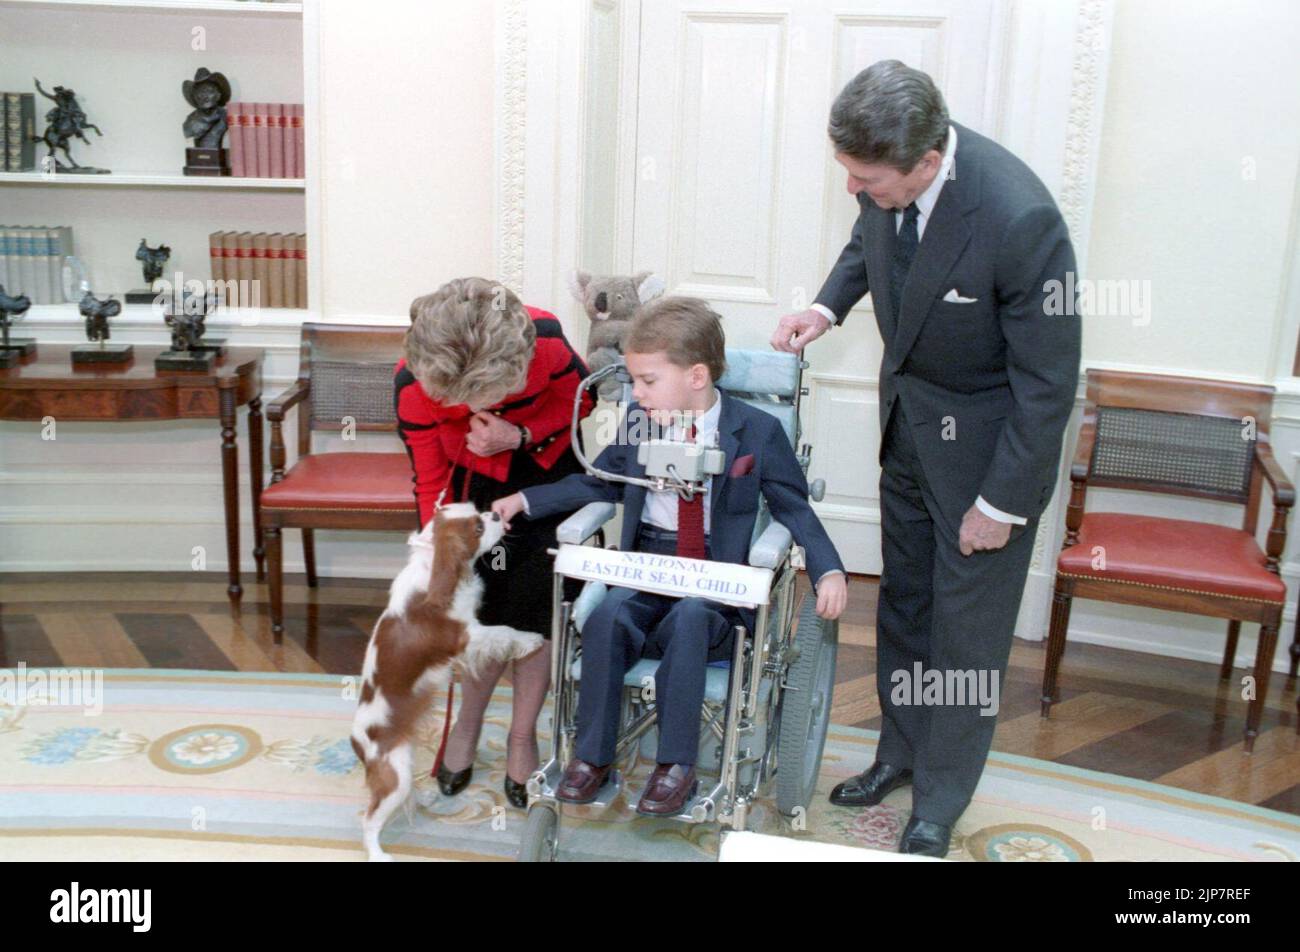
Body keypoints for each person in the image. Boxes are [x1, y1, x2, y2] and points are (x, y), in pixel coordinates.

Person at [770, 60, 1081, 856]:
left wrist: (1002, 504)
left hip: (987, 462)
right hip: (908, 432)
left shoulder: (1020, 217)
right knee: (905, 606)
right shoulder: (888, 182)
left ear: (929, 162)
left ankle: (940, 800)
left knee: (965, 639)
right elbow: (870, 240)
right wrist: (825, 307)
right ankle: (898, 755)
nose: (853, 189)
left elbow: (1048, 384)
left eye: (866, 179)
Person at [493, 296, 847, 816]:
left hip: (716, 577)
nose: (635, 393)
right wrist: (527, 500)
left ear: (696, 376)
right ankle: (591, 758)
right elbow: (603, 481)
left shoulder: (757, 431)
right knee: (606, 617)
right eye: (634, 381)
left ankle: (675, 767)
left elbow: (792, 506)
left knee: (690, 620)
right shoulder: (642, 422)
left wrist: (828, 568)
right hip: (649, 564)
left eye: (647, 381)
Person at [395, 277, 595, 807]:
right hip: (473, 491)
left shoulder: (545, 337)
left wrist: (522, 434)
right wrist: (441, 553)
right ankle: (468, 721)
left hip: (549, 479)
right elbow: (428, 476)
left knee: (538, 607)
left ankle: (522, 735)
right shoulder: (413, 379)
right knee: (482, 606)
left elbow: (585, 399)